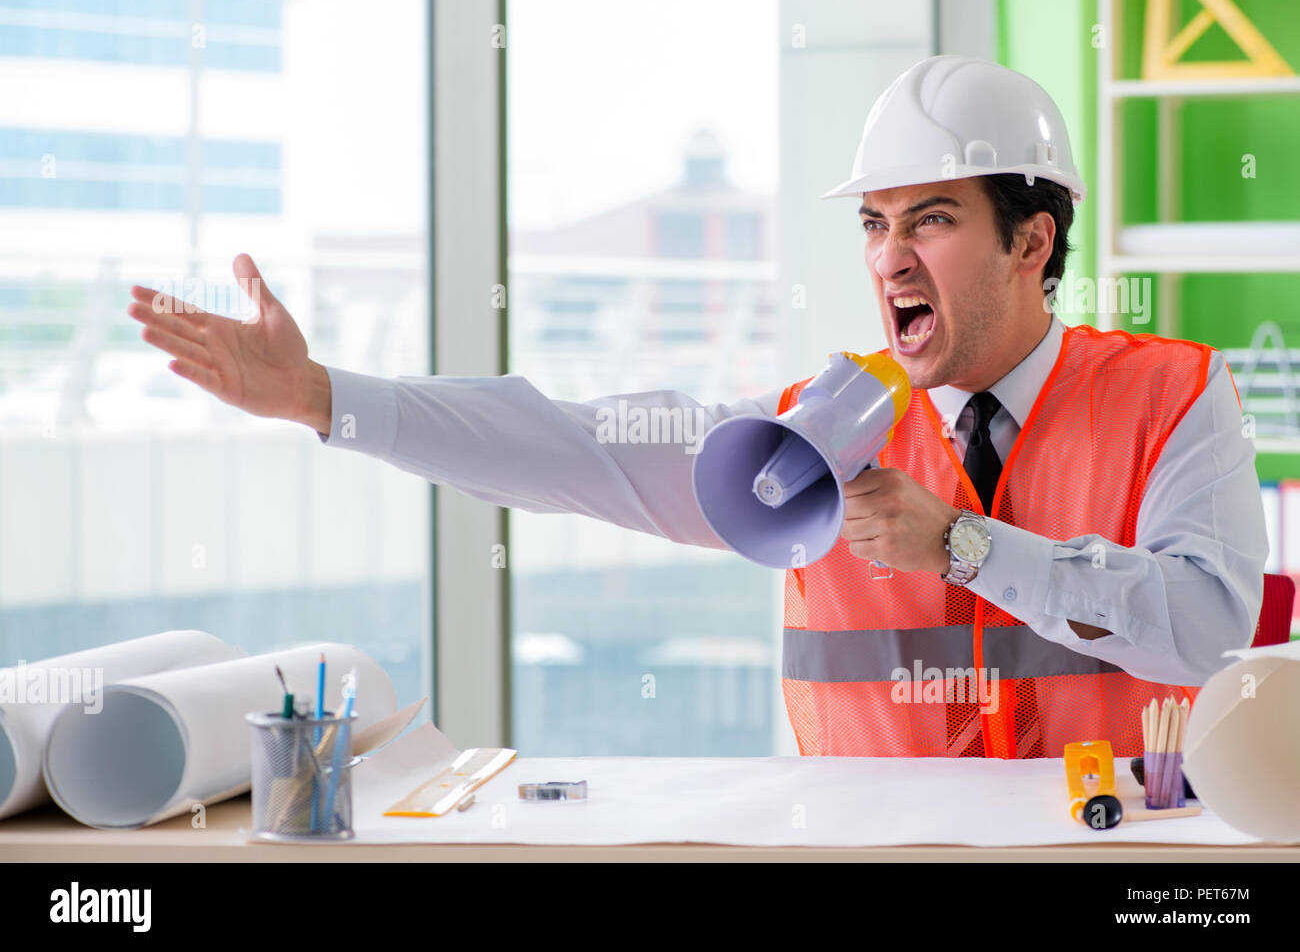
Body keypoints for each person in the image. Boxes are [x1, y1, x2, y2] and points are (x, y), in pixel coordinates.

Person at [126, 55, 1267, 759]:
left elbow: (1208, 627)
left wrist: (959, 544)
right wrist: (329, 398)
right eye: (871, 224)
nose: (888, 258)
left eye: (928, 218)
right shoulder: (811, 437)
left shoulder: (1171, 396)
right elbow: (567, 445)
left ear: (1031, 239)